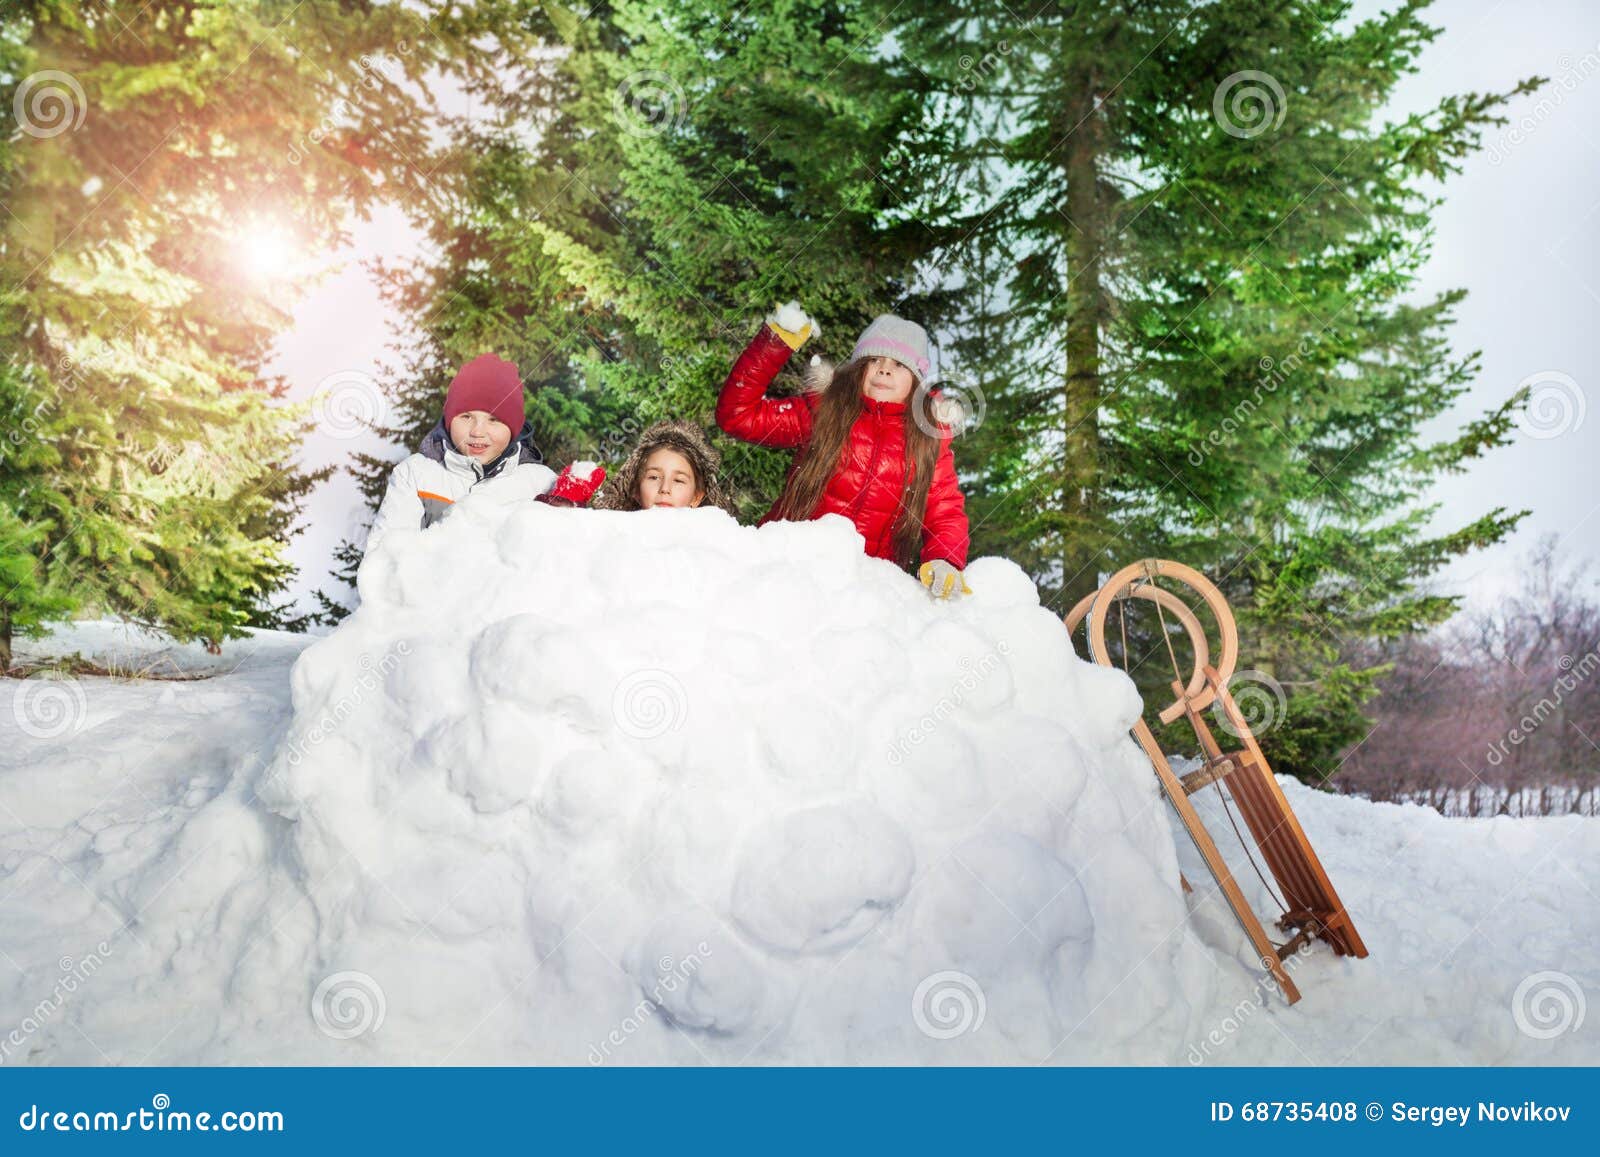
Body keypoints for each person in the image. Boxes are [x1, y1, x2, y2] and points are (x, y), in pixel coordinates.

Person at [715, 304, 971, 597]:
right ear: (858, 369)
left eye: (899, 364)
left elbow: (945, 510)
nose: (885, 368)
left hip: (864, 588)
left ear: (916, 382)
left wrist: (944, 558)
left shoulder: (928, 441)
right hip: (785, 564)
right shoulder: (825, 412)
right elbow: (736, 415)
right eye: (875, 359)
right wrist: (774, 344)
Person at [366, 353, 602, 546]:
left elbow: (565, 560)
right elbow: (385, 562)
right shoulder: (416, 475)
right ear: (449, 420)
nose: (478, 431)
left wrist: (569, 513)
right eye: (466, 416)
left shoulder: (538, 481)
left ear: (513, 428)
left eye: (494, 420)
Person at [596, 420, 732, 512]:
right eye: (654, 477)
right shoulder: (615, 537)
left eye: (678, 480)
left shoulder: (711, 548)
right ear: (636, 490)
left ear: (696, 497)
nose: (665, 489)